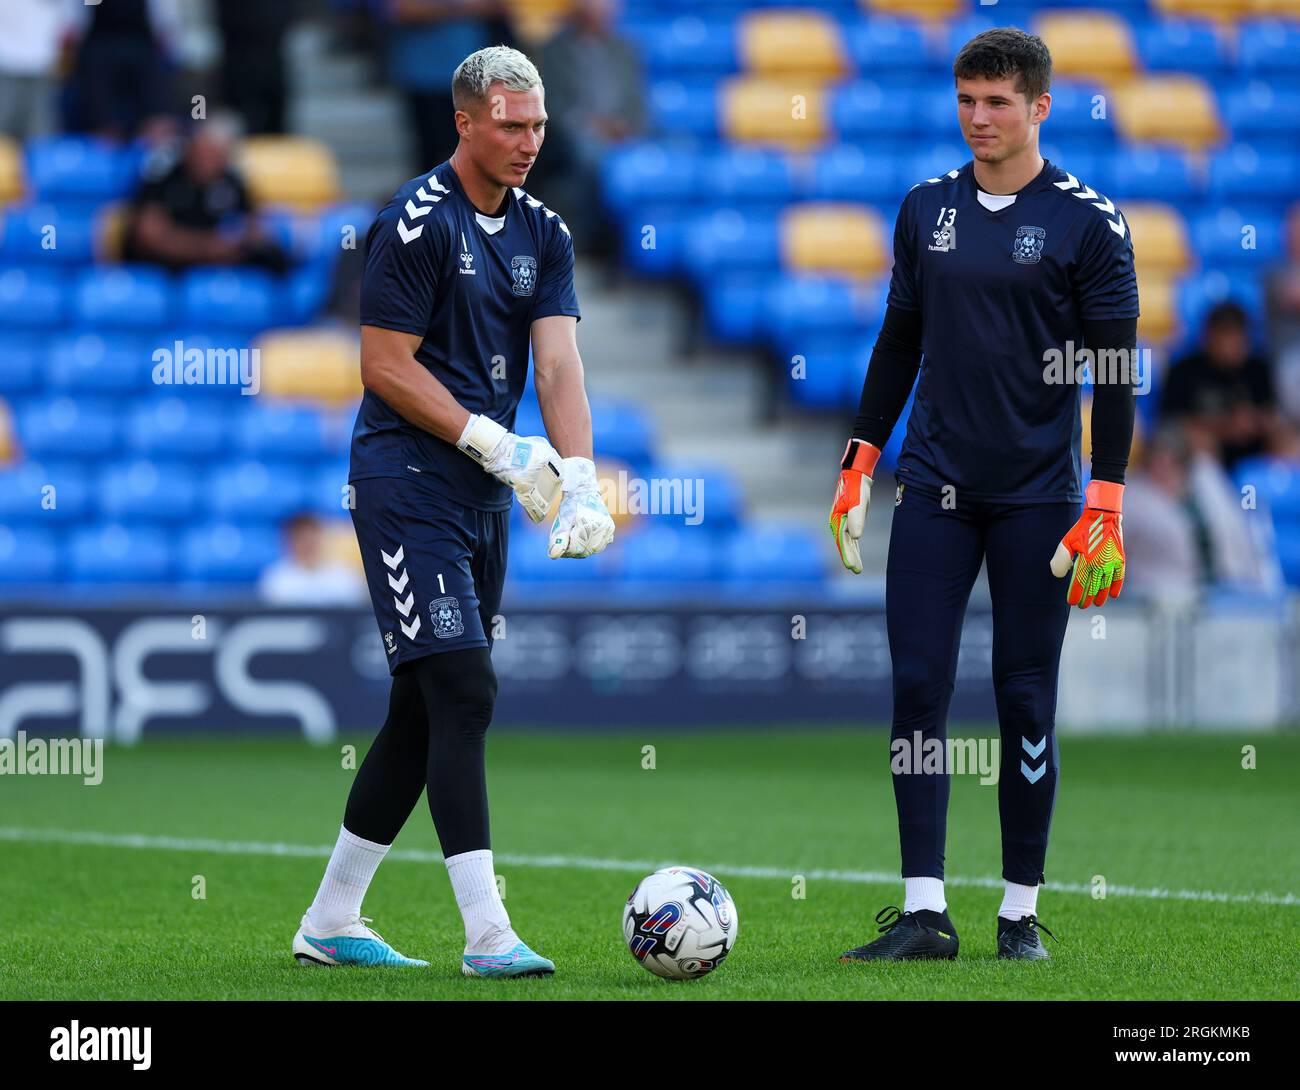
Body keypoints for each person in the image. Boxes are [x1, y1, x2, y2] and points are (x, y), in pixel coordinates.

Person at [293, 45, 615, 977]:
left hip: (487, 494)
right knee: (466, 691)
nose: (528, 141)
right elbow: (384, 366)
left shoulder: (544, 231)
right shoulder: (415, 219)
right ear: (465, 122)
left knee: (422, 710)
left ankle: (330, 919)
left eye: (538, 124)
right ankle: (487, 933)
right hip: (406, 482)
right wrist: (495, 441)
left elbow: (556, 363)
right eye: (510, 125)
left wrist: (581, 474)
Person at [828, 28, 1140, 962]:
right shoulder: (926, 209)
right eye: (967, 100)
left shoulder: (1091, 222)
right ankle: (925, 913)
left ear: (1039, 106)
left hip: (1041, 503)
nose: (978, 118)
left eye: (998, 102)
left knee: (1025, 701)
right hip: (933, 490)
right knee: (918, 688)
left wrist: (1108, 498)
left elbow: (1115, 371)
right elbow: (898, 341)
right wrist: (859, 460)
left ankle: (1018, 914)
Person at [537, 0, 645, 252]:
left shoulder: (626, 49)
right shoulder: (554, 51)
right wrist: (594, 126)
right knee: (591, 157)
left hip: (623, 133)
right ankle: (599, 244)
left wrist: (627, 127)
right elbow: (553, 107)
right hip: (578, 133)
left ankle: (634, 247)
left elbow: (638, 105)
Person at [124, 113, 290, 272]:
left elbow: (255, 228)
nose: (207, 160)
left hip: (223, 268)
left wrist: (240, 241)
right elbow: (149, 235)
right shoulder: (163, 175)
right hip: (169, 269)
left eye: (216, 154)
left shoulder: (232, 181)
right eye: (203, 150)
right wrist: (206, 249)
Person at [1160, 301, 1292, 471]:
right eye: (1226, 336)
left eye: (1239, 336)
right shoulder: (1183, 371)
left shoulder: (1257, 368)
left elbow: (1272, 415)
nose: (1234, 344)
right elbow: (1172, 423)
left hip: (1254, 446)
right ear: (1209, 337)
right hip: (1206, 455)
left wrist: (1252, 422)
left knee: (1288, 439)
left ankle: (1280, 490)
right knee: (1200, 442)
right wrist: (1226, 426)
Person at [258, 512, 368, 606]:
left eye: (312, 537)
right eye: (301, 539)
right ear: (289, 542)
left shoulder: (346, 574)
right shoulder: (276, 578)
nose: (307, 544)